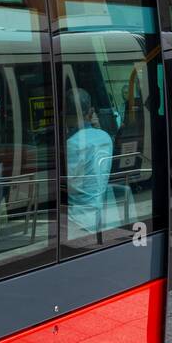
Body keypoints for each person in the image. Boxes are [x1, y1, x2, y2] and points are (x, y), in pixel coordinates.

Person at [66, 88, 114, 238]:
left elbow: (70, 184)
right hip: (104, 215)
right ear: (91, 111)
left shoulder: (71, 143)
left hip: (78, 219)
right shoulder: (105, 138)